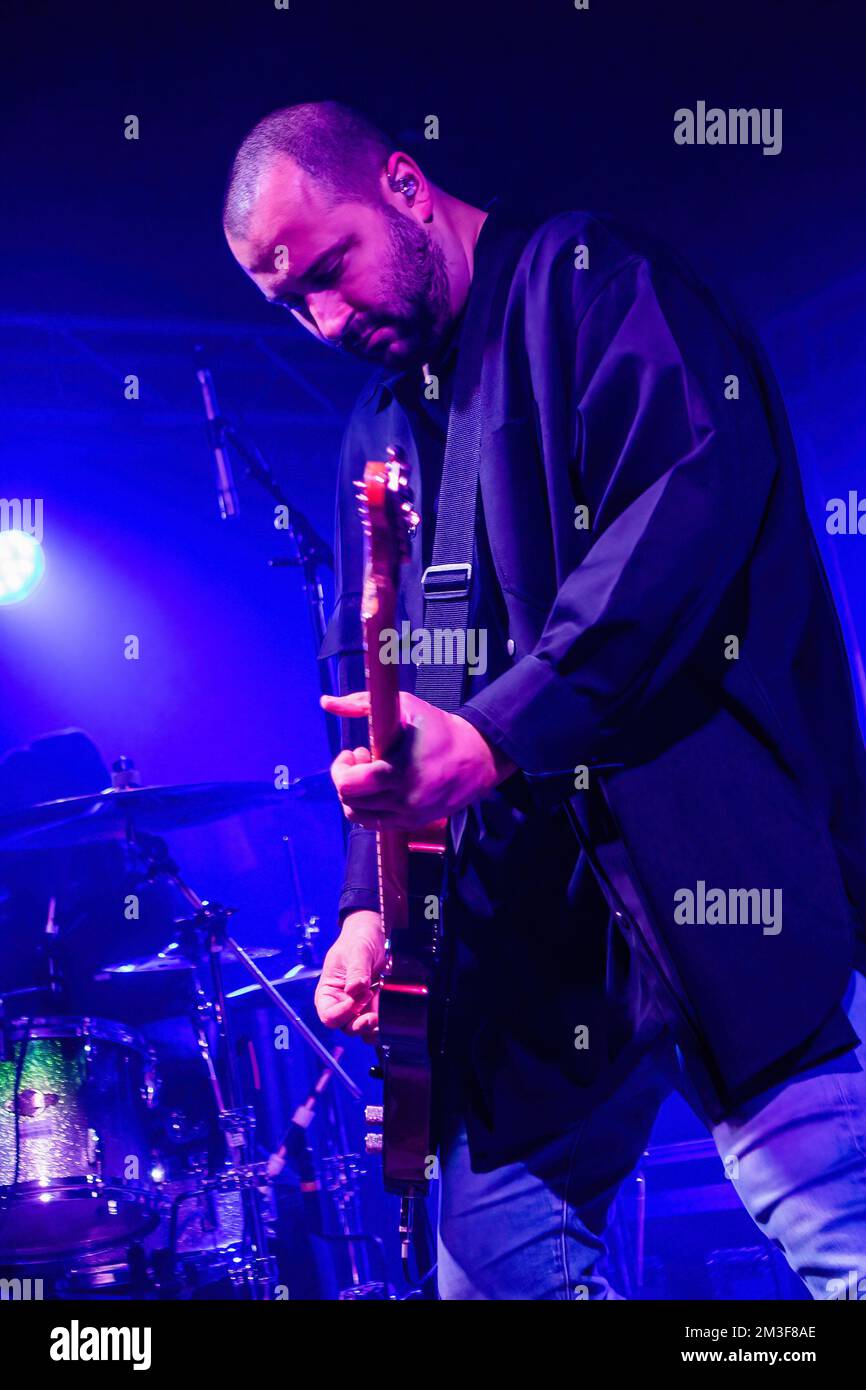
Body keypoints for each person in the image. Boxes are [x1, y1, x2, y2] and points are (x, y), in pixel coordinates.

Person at [224, 101, 866, 1300]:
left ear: (406, 187)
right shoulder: (374, 422)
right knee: (494, 1273)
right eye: (289, 304)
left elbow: (680, 525)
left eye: (329, 269)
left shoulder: (594, 283)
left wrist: (496, 732)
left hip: (709, 880)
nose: (323, 318)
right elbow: (381, 701)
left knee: (842, 1241)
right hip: (528, 945)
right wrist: (369, 903)